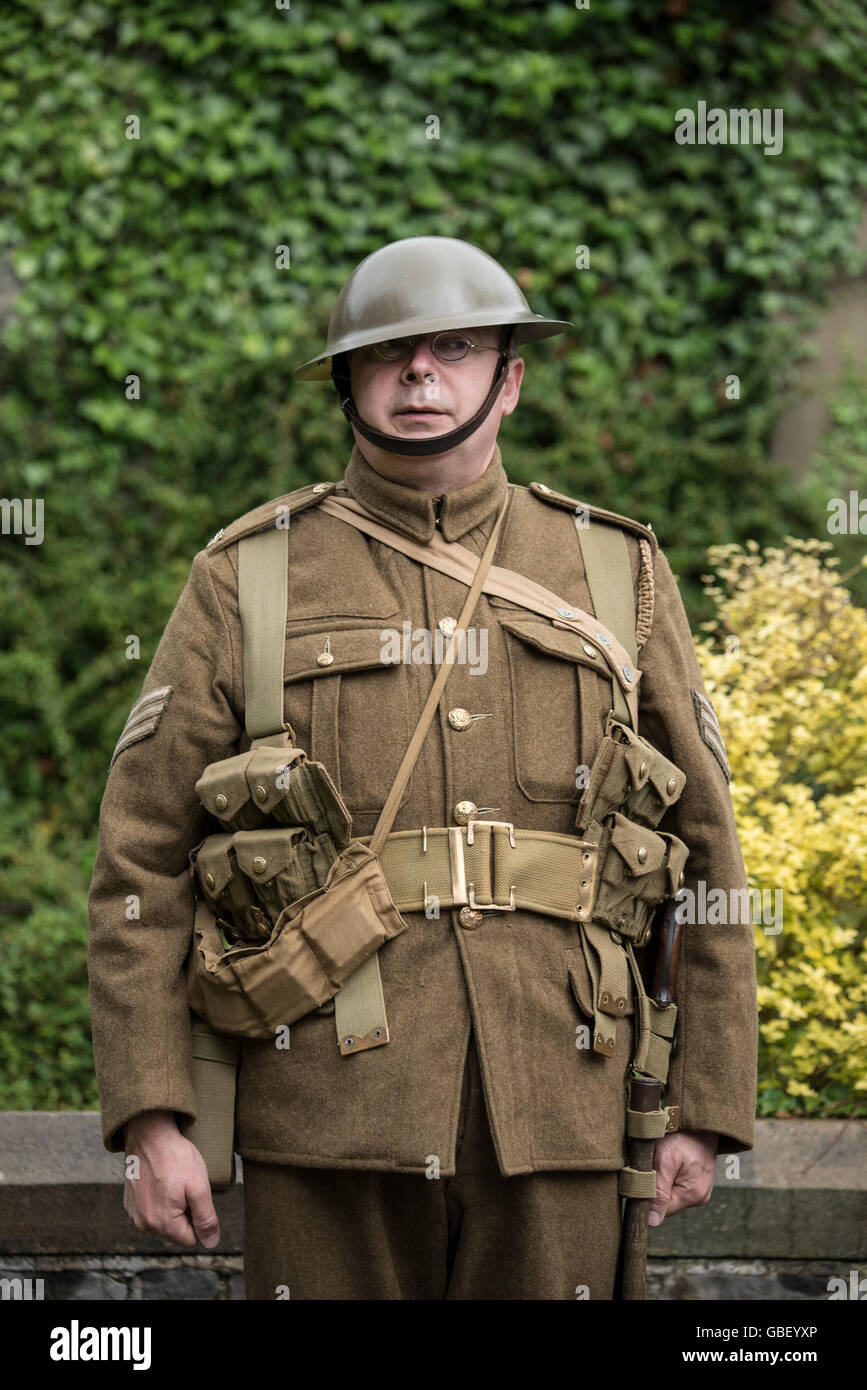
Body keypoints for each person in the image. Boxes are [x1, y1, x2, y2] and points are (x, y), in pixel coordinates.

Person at [87, 235, 758, 1300]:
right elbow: (142, 860)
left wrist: (709, 1103)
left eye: (453, 346)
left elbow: (709, 845)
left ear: (511, 379)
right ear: (348, 381)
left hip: (563, 1101)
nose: (419, 373)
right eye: (389, 352)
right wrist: (151, 1114)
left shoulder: (610, 566)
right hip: (329, 1113)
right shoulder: (251, 576)